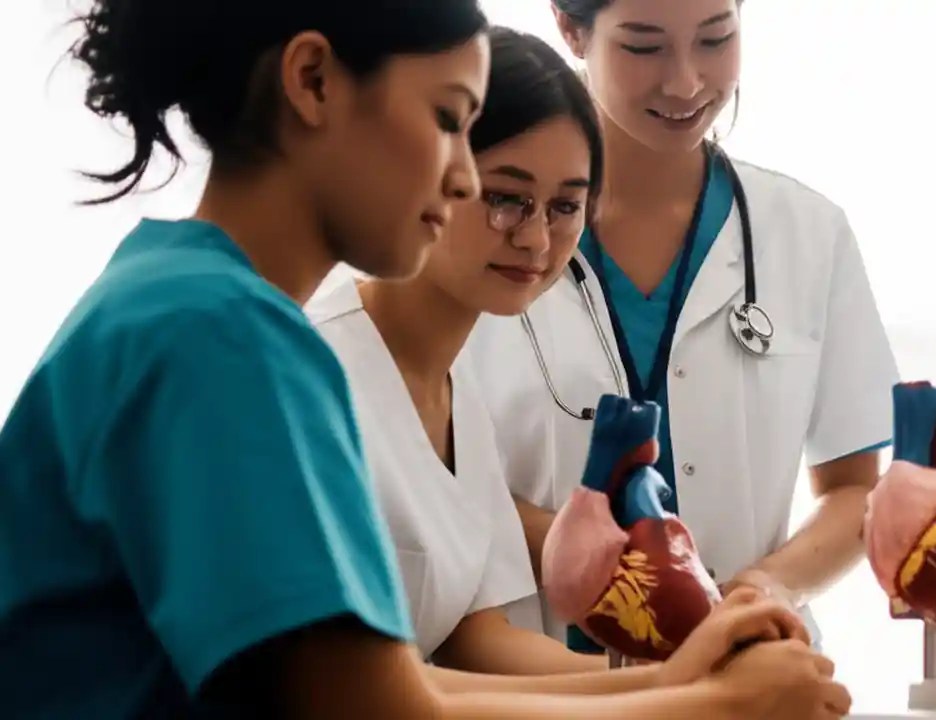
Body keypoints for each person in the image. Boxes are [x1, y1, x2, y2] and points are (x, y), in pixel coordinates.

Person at [0, 2, 847, 718]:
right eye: (448, 120)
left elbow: (405, 682)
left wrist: (680, 678)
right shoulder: (219, 338)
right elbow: (376, 712)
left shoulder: (182, 297)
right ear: (313, 83)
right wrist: (710, 706)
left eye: (566, 205)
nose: (458, 180)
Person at [305, 27, 849, 718]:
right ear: (430, 175)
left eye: (565, 207)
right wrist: (697, 699)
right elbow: (370, 689)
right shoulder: (315, 373)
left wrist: (694, 669)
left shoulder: (457, 400)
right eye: (506, 197)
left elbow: (480, 640)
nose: (535, 239)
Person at [465, 0, 899, 655]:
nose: (686, 82)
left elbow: (854, 489)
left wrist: (764, 589)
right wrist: (600, 562)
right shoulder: (481, 233)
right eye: (644, 46)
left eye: (715, 39)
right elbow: (432, 483)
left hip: (747, 667)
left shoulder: (807, 234)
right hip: (538, 673)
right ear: (570, 26)